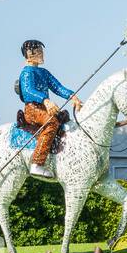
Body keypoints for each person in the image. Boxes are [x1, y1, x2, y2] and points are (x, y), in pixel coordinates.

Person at [17, 40, 81, 177]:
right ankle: (37, 163)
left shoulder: (44, 72)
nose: (42, 54)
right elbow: (28, 91)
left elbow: (57, 87)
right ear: (30, 54)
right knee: (51, 122)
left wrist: (72, 96)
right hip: (33, 109)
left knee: (66, 123)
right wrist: (45, 100)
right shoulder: (27, 72)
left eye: (42, 51)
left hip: (44, 108)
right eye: (39, 51)